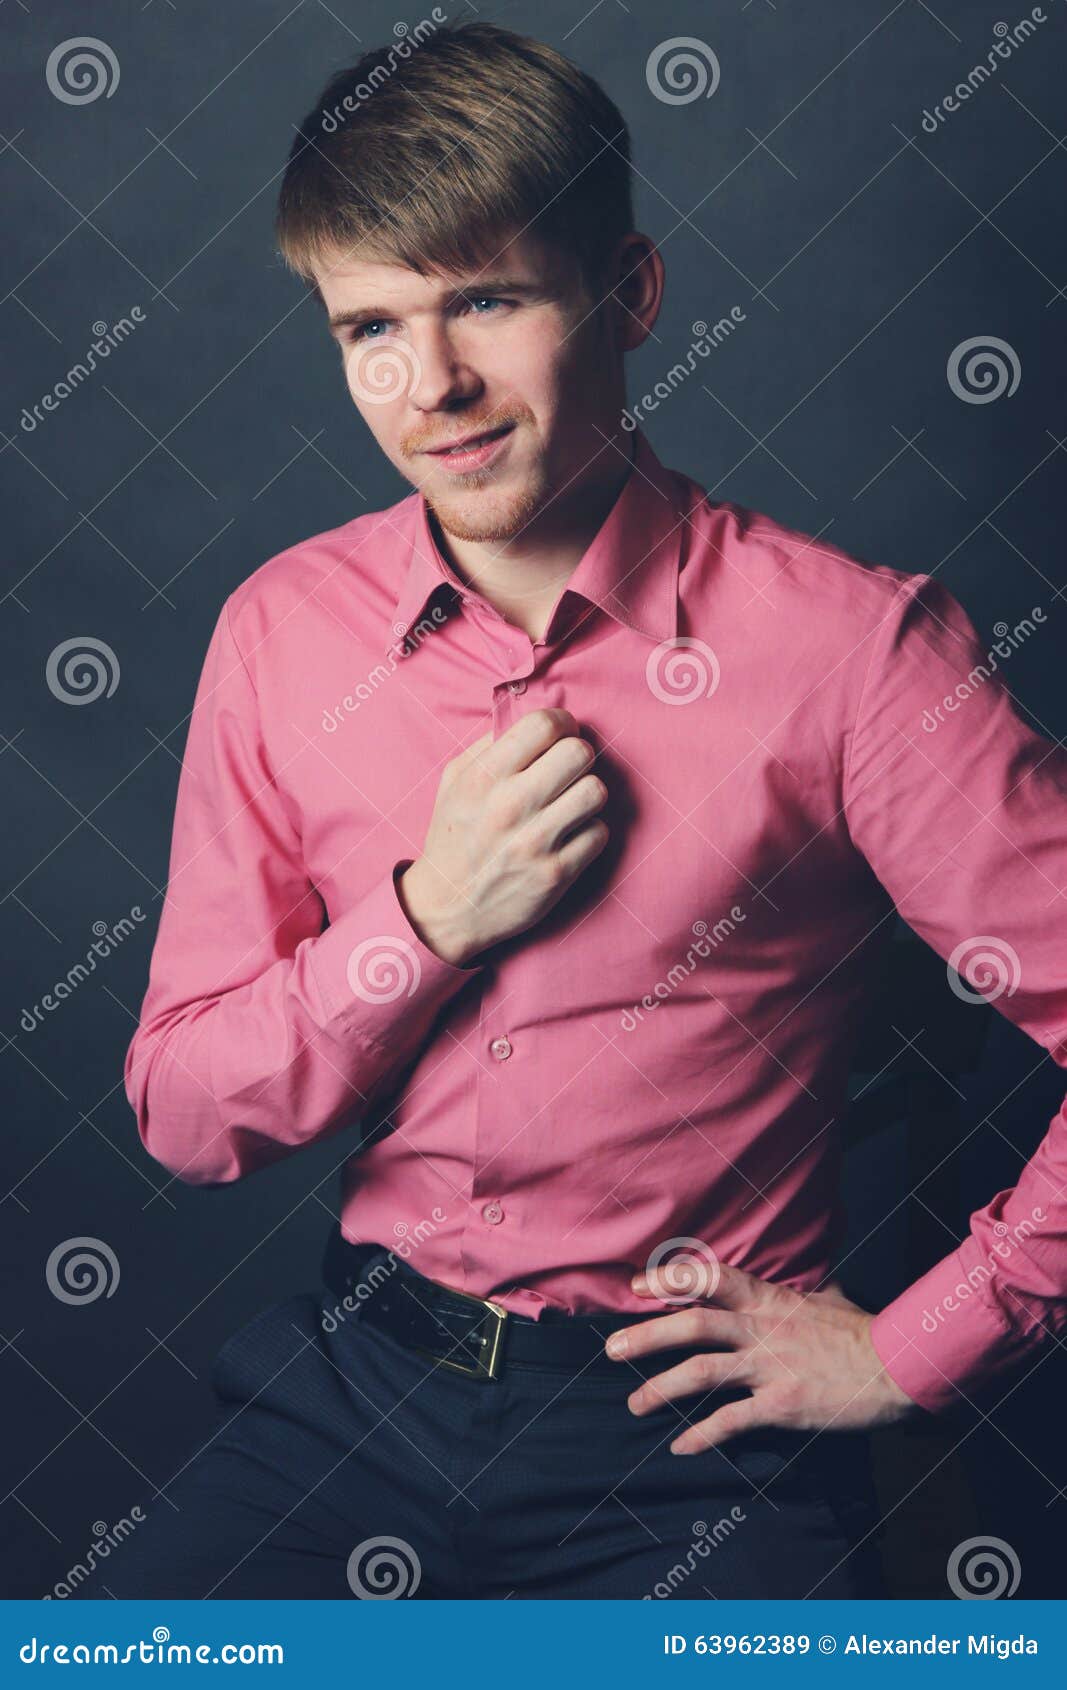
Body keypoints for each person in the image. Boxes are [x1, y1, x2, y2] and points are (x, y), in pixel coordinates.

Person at [101, 21, 1065, 1599]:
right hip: (343, 1397)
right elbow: (184, 1111)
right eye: (372, 328)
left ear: (629, 293)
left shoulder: (858, 653)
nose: (434, 388)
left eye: (485, 298)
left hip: (682, 1448)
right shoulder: (281, 631)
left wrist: (916, 1345)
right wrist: (422, 924)